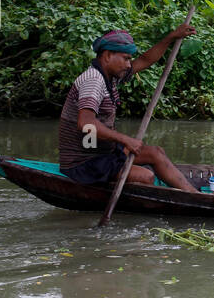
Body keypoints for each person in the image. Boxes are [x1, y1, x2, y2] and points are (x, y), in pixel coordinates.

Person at [57, 26, 205, 192]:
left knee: (156, 153)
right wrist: (125, 140)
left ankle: (193, 194)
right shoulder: (93, 80)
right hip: (84, 163)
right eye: (126, 58)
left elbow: (145, 60)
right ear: (107, 56)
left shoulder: (110, 77)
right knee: (146, 177)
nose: (129, 65)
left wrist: (171, 37)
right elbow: (86, 124)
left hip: (104, 154)